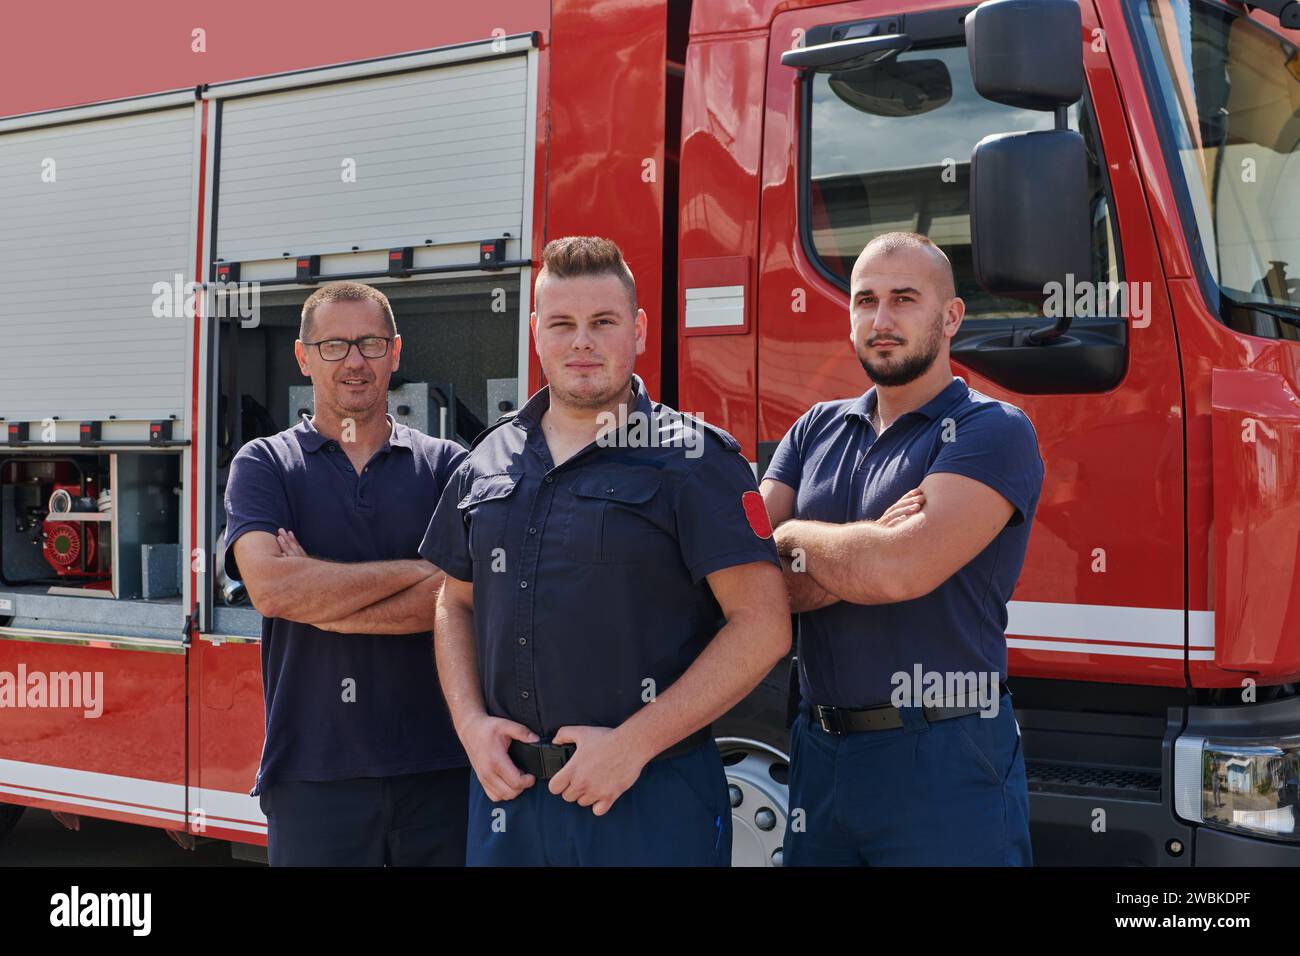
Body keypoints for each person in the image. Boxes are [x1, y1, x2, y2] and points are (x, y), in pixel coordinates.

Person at [421, 236, 790, 866]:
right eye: (562, 323)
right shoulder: (486, 458)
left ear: (639, 330)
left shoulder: (696, 460)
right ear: (536, 332)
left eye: (603, 322)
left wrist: (632, 746)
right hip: (508, 799)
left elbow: (763, 627)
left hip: (646, 800)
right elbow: (454, 603)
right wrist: (469, 725)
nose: (581, 342)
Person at [761, 232, 1044, 866]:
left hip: (944, 757)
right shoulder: (813, 430)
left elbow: (900, 570)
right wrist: (855, 550)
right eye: (865, 300)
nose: (880, 320)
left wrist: (793, 543)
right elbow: (746, 576)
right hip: (819, 754)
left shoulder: (991, 429)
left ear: (950, 317)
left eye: (904, 299)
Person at [224, 281, 469, 866]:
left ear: (396, 352)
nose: (354, 361)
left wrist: (320, 593)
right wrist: (419, 574)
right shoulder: (264, 465)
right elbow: (274, 591)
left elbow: (465, 599)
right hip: (312, 772)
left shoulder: (447, 466)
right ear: (304, 357)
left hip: (443, 768)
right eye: (333, 345)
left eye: (370, 343)